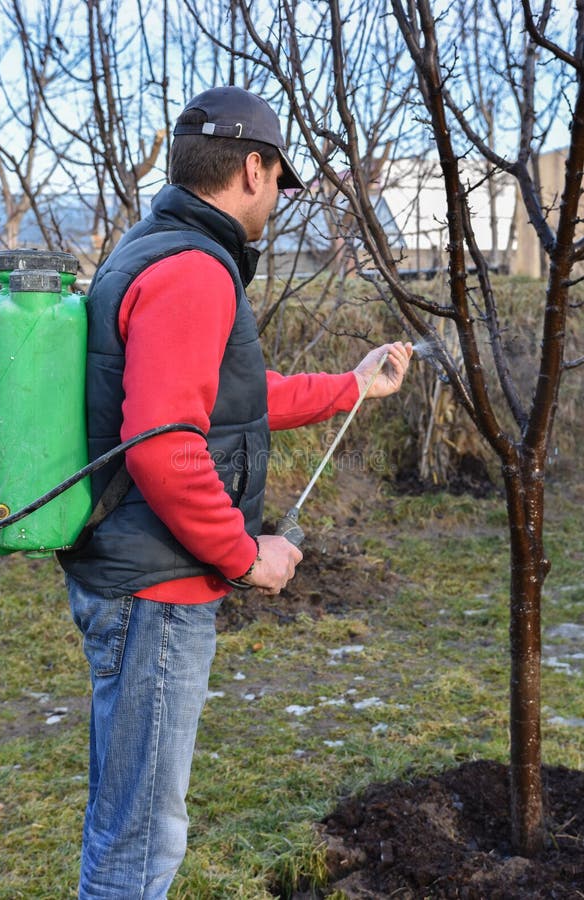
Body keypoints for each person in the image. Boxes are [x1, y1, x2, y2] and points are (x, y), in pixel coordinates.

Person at [58, 85, 412, 899]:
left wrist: (349, 387)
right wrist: (246, 555)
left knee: (128, 822)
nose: (276, 207)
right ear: (254, 167)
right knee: (140, 843)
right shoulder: (193, 271)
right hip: (159, 585)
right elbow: (165, 448)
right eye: (279, 184)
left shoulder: (154, 248)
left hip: (131, 568)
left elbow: (227, 400)